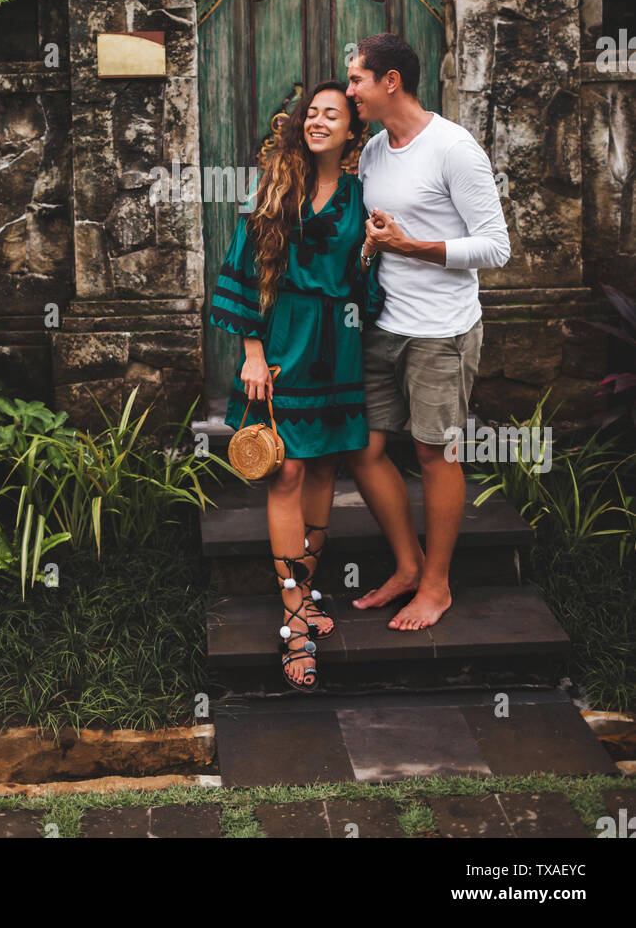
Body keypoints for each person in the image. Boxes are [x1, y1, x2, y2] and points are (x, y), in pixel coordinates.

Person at [209, 81, 384, 692]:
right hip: (280, 343)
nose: (318, 121)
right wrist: (251, 351)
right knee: (282, 471)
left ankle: (305, 594)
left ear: (350, 132)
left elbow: (367, 282)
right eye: (311, 112)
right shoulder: (278, 184)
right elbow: (243, 263)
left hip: (337, 348)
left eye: (332, 114)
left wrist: (372, 253)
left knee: (321, 472)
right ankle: (293, 618)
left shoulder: (363, 195)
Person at [345, 34, 511, 631]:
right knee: (362, 449)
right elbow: (375, 235)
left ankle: (437, 587)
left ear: (391, 81)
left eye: (357, 78)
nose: (349, 90)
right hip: (383, 326)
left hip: (441, 331)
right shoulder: (373, 151)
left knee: (434, 453)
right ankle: (408, 565)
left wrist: (410, 245)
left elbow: (496, 246)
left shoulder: (454, 148)